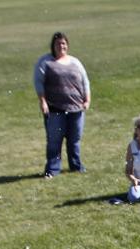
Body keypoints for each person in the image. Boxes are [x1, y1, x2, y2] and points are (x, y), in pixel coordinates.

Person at [33, 31, 90, 178]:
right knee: (54, 141)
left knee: (74, 140)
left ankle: (76, 166)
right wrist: (43, 101)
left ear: (67, 45)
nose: (61, 46)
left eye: (63, 43)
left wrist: (87, 100)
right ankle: (53, 170)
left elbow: (85, 81)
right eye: (58, 43)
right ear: (53, 46)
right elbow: (38, 83)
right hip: (55, 109)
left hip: (76, 108)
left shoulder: (75, 62)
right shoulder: (45, 62)